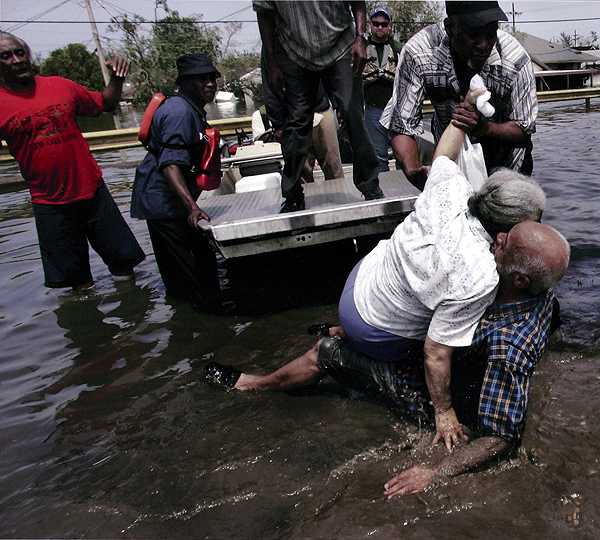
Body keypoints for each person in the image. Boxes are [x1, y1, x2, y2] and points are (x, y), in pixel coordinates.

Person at [206, 90, 547, 451]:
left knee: (440, 301)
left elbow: (445, 152)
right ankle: (257, 383)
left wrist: (459, 120)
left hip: (362, 282)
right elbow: (435, 351)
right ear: (505, 232)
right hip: (375, 327)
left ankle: (346, 331)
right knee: (442, 332)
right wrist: (443, 410)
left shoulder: (454, 188)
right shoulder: (479, 272)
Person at [205, 220, 570, 498]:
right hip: (457, 359)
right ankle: (347, 329)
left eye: (506, 245)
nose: (498, 238)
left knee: (325, 353)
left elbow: (501, 436)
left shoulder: (509, 349)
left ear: (520, 280)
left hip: (426, 389)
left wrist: (436, 472)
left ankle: (254, 385)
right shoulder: (541, 295)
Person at [0, 31, 145, 291]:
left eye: (20, 52)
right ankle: (89, 327)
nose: (16, 59)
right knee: (77, 283)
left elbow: (107, 104)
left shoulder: (61, 85)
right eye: (6, 56)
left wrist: (117, 78)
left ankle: (136, 318)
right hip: (50, 203)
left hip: (93, 192)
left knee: (123, 265)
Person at [382, 1, 537, 190]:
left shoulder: (515, 60)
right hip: (451, 162)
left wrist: (484, 128)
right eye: (473, 35)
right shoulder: (418, 53)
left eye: (490, 34)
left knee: (507, 213)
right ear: (450, 27)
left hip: (507, 165)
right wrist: (414, 171)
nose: (483, 45)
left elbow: (524, 130)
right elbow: (402, 126)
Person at [253, 0, 383, 213]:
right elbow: (264, 14)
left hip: (341, 44)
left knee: (351, 112)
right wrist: (271, 64)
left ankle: (369, 184)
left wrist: (360, 38)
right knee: (297, 120)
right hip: (293, 49)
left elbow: (357, 2)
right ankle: (293, 194)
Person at [130, 54, 222, 312]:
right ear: (184, 82)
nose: (210, 84)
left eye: (212, 78)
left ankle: (187, 317)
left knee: (187, 271)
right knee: (195, 270)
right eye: (201, 79)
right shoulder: (179, 112)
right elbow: (170, 165)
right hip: (165, 203)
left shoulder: (190, 108)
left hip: (168, 201)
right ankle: (205, 318)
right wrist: (192, 207)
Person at [259, 54, 344, 183]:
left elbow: (329, 74)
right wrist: (278, 124)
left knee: (335, 169)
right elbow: (269, 87)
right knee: (301, 175)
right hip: (292, 117)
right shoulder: (271, 48)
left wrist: (338, 105)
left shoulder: (314, 38)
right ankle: (304, 201)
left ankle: (340, 200)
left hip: (322, 110)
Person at [363, 6, 402, 172]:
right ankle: (385, 191)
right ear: (370, 24)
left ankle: (406, 189)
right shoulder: (360, 48)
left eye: (384, 24)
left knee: (402, 153)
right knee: (379, 156)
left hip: (396, 109)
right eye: (376, 23)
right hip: (372, 110)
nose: (380, 27)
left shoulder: (400, 49)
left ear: (389, 25)